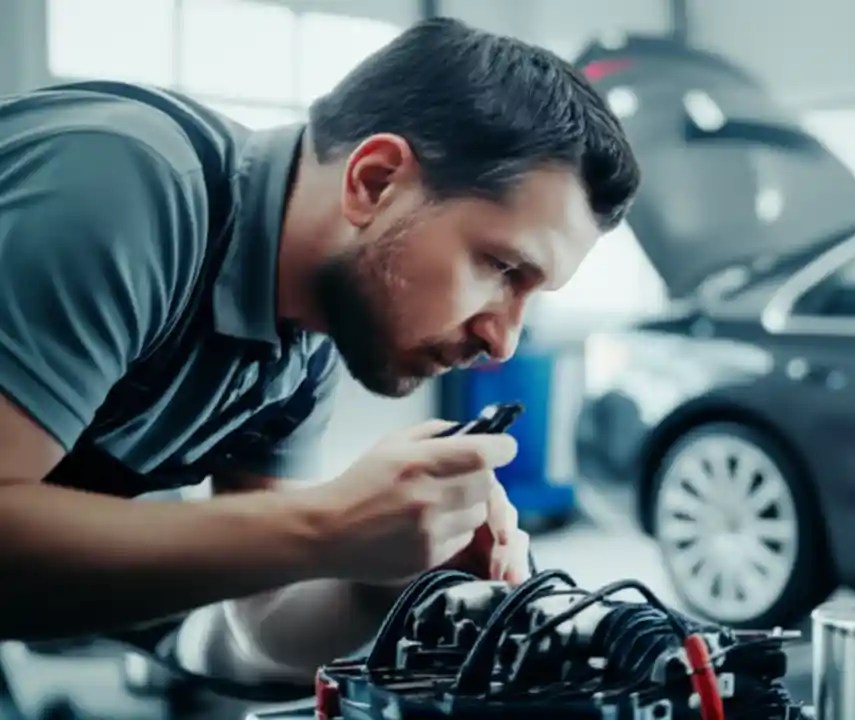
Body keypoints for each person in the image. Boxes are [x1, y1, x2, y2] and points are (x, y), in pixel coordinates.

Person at [0, 17, 639, 681]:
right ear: (375, 181)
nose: (501, 341)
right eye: (501, 268)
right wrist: (326, 525)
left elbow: (248, 633)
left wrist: (385, 575)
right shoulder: (122, 187)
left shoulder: (304, 345)